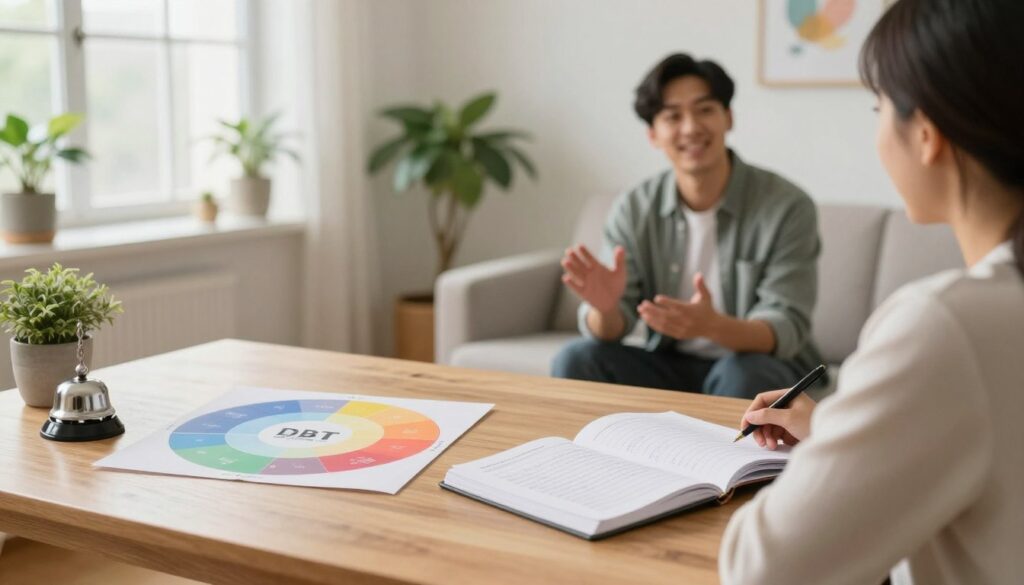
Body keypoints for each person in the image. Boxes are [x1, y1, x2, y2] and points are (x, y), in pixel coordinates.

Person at [721, 1, 1024, 583]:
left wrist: (831, 460)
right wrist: (840, 429)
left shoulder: (947, 324)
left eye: (878, 107)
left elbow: (764, 570)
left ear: (928, 135)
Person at [552, 53, 824, 399]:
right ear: (653, 134)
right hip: (669, 363)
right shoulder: (634, 207)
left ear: (728, 117)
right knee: (577, 359)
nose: (691, 127)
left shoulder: (787, 206)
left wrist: (712, 326)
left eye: (705, 110)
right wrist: (605, 308)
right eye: (672, 116)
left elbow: (785, 326)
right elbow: (611, 328)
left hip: (755, 363)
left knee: (743, 375)